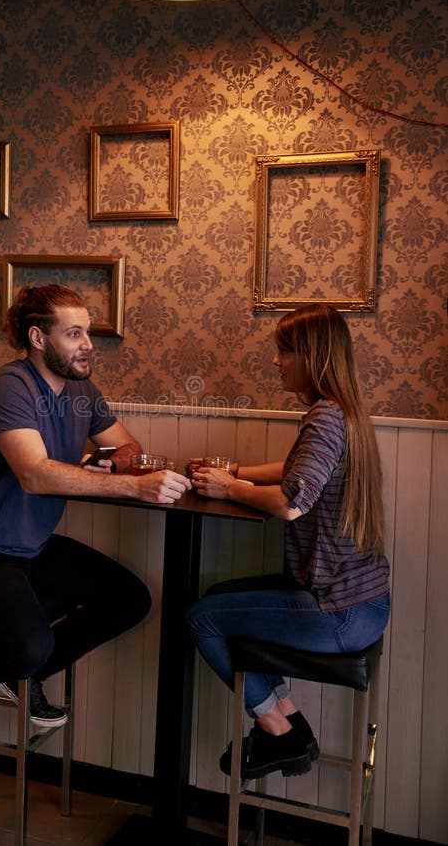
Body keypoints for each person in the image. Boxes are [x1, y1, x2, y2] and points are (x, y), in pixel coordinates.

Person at [0, 284, 191, 745]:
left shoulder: (81, 391)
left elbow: (128, 445)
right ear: (38, 338)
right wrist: (132, 484)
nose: (88, 345)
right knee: (32, 643)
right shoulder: (9, 387)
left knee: (129, 600)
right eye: (74, 334)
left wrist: (118, 460)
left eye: (87, 333)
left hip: (31, 549)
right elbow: (33, 474)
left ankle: (24, 676)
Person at [186, 303, 390, 780]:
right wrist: (233, 473)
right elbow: (296, 472)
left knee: (201, 620)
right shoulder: (345, 413)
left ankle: (280, 732)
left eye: (284, 351)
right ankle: (289, 721)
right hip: (364, 603)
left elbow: (290, 502)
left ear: (312, 355)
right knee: (217, 599)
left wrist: (228, 489)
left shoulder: (325, 417)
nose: (276, 361)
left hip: (338, 612)